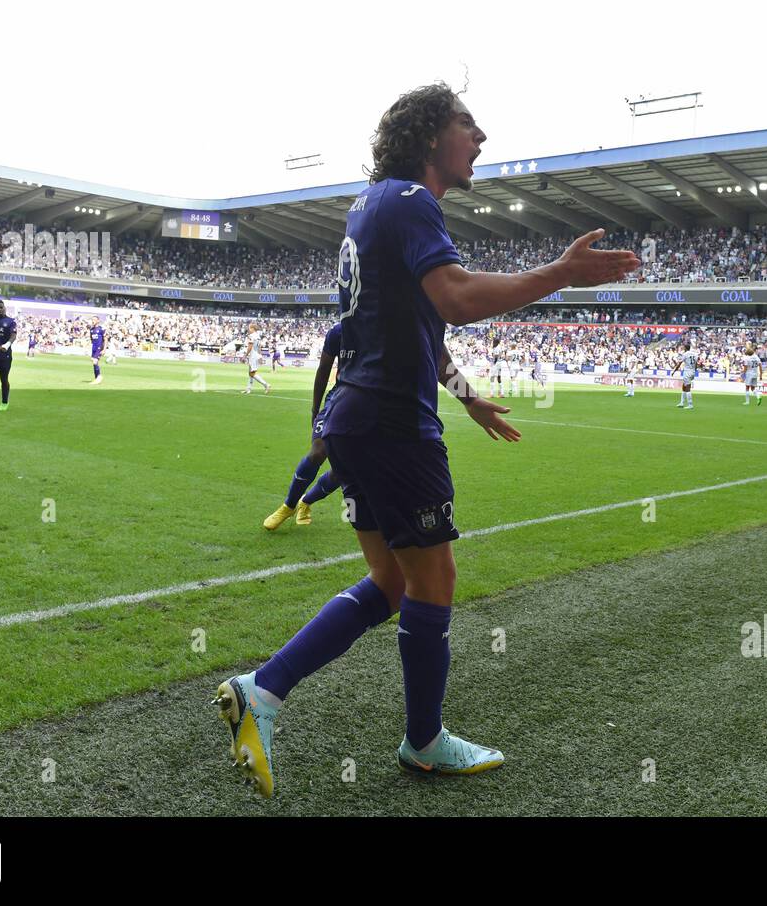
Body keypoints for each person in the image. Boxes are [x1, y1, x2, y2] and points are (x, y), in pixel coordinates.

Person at [215, 83, 638, 796]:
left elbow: (417, 329)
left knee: (390, 582)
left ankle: (263, 688)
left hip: (354, 420)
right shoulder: (411, 203)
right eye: (467, 122)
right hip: (391, 426)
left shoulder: (371, 207)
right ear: (428, 134)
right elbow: (458, 300)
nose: (481, 136)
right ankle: (423, 742)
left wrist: (470, 400)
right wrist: (562, 275)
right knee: (432, 579)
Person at [263, 321, 342, 530]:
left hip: (370, 403)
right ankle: (288, 506)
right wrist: (315, 409)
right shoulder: (340, 330)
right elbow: (324, 367)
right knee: (318, 451)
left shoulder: (384, 328)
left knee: (344, 470)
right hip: (340, 396)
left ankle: (306, 501)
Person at [242, 323, 271, 394]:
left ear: (252, 329)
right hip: (256, 355)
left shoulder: (251, 336)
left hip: (253, 355)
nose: (248, 329)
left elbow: (250, 347)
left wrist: (245, 355)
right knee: (251, 372)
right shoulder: (258, 336)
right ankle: (248, 389)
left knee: (252, 373)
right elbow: (259, 347)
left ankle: (266, 385)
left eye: (249, 328)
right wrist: (260, 356)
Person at [670, 341, 697, 409]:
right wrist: (694, 370)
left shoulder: (685, 354)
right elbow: (696, 364)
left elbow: (679, 364)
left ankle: (690, 405)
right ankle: (681, 402)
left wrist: (674, 371)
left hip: (687, 372)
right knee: (684, 386)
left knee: (687, 388)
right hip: (692, 371)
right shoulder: (694, 354)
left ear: (685, 348)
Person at [88, 317, 105, 384]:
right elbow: (91, 339)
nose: (93, 321)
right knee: (93, 361)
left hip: (99, 347)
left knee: (95, 361)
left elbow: (105, 339)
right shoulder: (91, 330)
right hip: (94, 348)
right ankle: (96, 378)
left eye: (94, 320)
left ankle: (99, 377)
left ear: (98, 321)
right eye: (92, 320)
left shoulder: (101, 329)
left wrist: (104, 349)